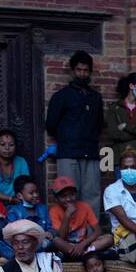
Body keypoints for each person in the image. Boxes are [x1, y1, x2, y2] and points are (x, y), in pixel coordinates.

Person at [45, 50, 104, 216]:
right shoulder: (61, 96)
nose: (82, 74)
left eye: (86, 70)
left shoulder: (95, 97)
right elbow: (51, 125)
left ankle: (92, 236)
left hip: (90, 153)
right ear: (73, 71)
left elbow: (99, 124)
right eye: (79, 70)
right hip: (68, 153)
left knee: (92, 195)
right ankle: (71, 236)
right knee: (68, 195)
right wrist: (69, 137)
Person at [103, 72, 136, 185]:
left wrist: (126, 126)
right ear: (131, 86)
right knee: (123, 194)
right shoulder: (114, 109)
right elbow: (114, 134)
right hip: (121, 159)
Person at [48, 174, 111, 260]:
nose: (68, 199)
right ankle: (85, 254)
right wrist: (67, 215)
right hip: (67, 246)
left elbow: (98, 231)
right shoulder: (54, 211)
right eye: (63, 196)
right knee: (56, 241)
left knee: (108, 238)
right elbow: (61, 237)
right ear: (56, 199)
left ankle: (85, 253)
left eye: (71, 195)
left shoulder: (84, 206)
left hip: (83, 245)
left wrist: (83, 244)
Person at [5, 176, 56, 248]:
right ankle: (26, 255)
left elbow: (50, 227)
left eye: (36, 192)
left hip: (40, 243)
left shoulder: (43, 208)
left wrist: (50, 233)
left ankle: (19, 257)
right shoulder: (14, 212)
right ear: (20, 196)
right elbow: (10, 234)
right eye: (31, 193)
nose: (36, 195)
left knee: (50, 241)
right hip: (21, 246)